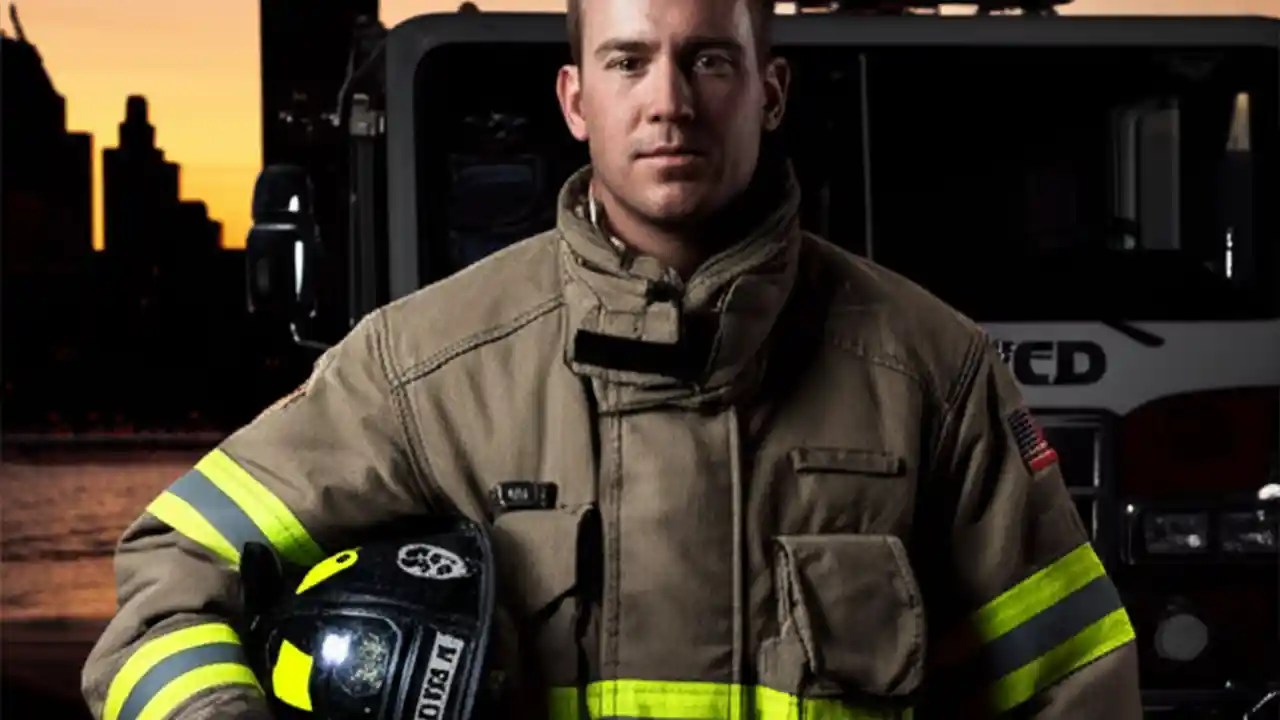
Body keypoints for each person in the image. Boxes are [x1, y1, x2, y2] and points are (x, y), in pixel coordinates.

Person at [80, 0, 1144, 718]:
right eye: (627, 62)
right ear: (576, 99)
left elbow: (1072, 678)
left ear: (770, 91)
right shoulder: (425, 371)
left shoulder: (931, 372)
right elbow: (172, 573)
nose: (668, 101)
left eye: (708, 59)